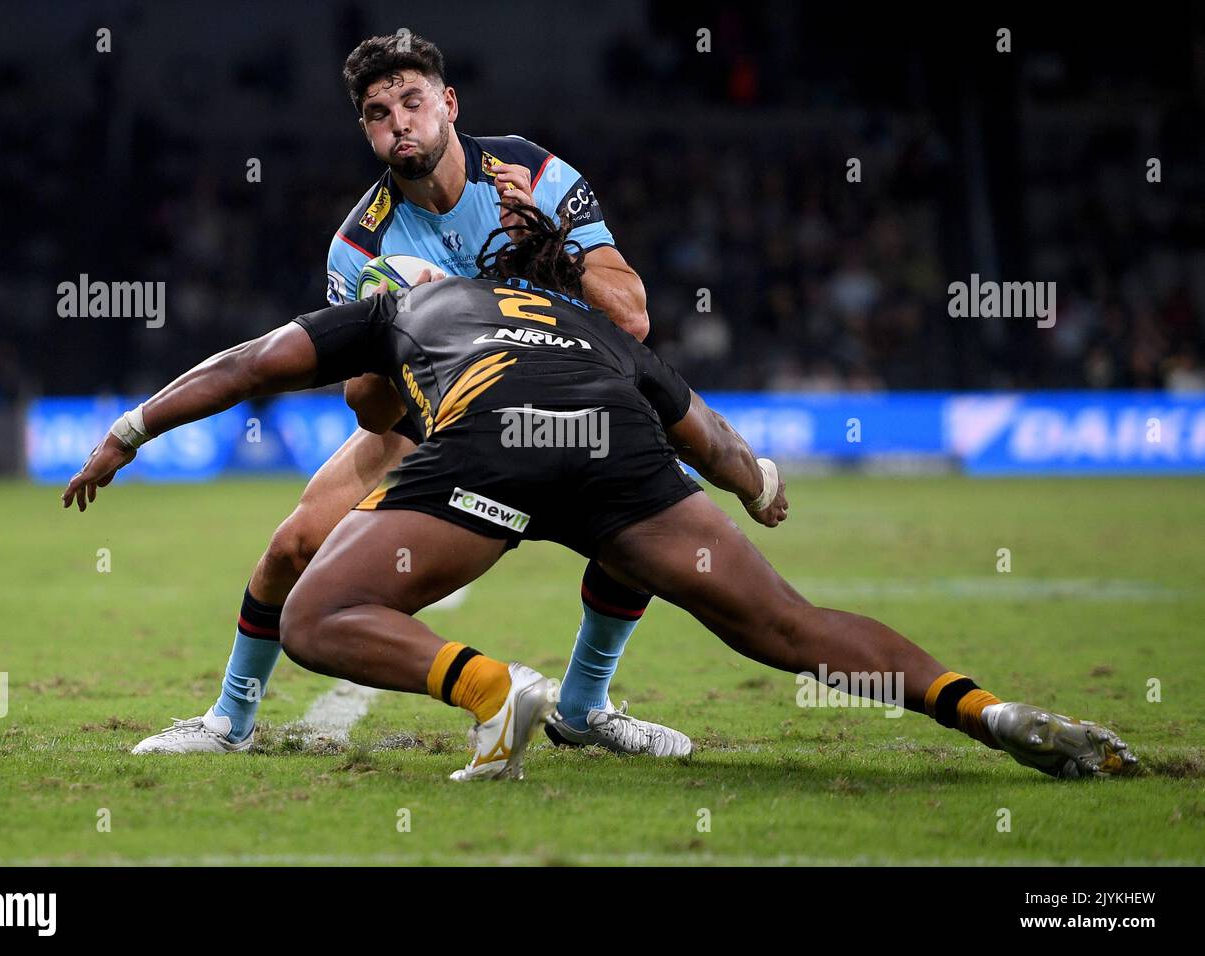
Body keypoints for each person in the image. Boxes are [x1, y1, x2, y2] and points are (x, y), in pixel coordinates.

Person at [66, 205, 1138, 783]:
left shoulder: (403, 306)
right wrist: (758, 483)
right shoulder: (588, 323)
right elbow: (709, 434)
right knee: (785, 623)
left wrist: (127, 430)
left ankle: (495, 691)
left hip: (489, 444)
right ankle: (983, 709)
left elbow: (249, 363)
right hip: (618, 453)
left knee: (320, 614)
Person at [130, 32, 690, 757]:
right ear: (364, 130)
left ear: (448, 104)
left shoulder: (532, 173)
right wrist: (399, 313)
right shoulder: (359, 248)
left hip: (565, 400)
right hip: (437, 417)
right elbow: (368, 408)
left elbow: (634, 316)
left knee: (643, 536)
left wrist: (557, 248)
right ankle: (229, 721)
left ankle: (583, 707)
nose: (398, 120)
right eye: (376, 111)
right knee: (292, 548)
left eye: (412, 101)